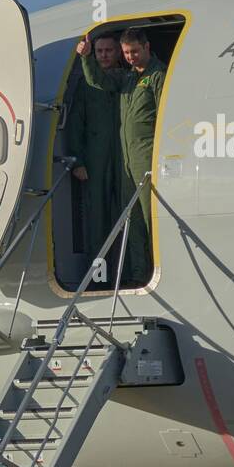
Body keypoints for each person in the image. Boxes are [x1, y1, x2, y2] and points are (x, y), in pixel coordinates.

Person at [76, 27, 167, 286]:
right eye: (127, 53)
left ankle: (158, 270)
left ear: (147, 47)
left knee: (151, 218)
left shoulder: (157, 76)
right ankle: (139, 273)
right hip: (127, 160)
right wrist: (86, 58)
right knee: (133, 218)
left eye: (134, 52)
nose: (130, 57)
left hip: (146, 157)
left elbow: (165, 115)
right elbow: (99, 82)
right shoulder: (127, 79)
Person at [66, 32, 125, 263]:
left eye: (108, 50)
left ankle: (129, 272)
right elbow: (75, 123)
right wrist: (78, 162)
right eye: (99, 51)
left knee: (125, 212)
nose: (104, 55)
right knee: (97, 219)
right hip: (95, 159)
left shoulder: (126, 79)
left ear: (118, 52)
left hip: (122, 157)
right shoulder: (85, 85)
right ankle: (100, 277)